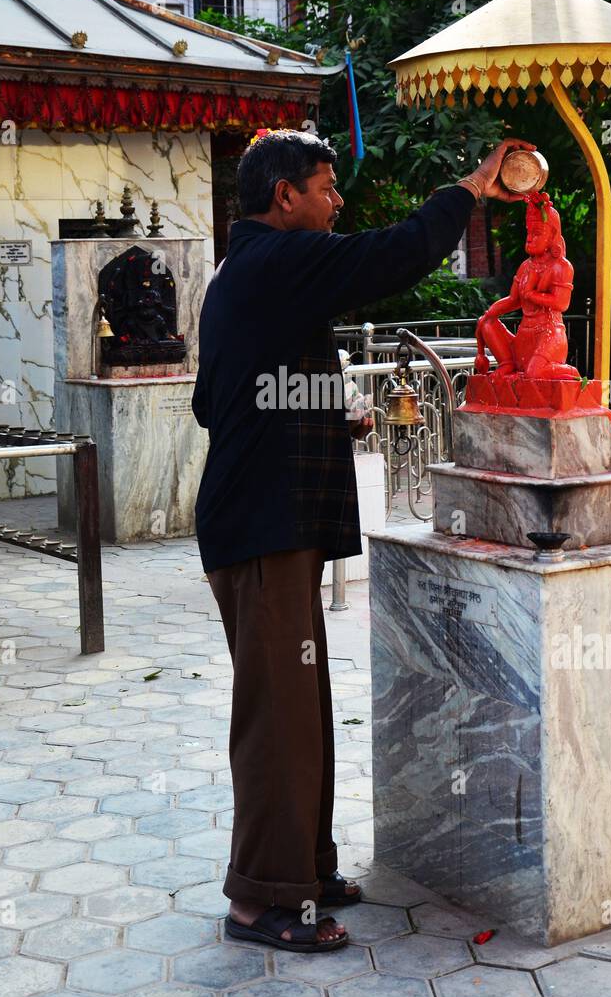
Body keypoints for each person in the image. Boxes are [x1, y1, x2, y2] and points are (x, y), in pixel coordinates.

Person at [191, 129, 532, 952]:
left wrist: (314, 409)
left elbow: (215, 400)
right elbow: (393, 254)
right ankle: (259, 902)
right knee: (276, 717)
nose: (337, 202)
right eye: (325, 187)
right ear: (284, 197)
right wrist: (468, 190)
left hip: (272, 522)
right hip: (259, 525)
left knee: (300, 706)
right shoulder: (274, 261)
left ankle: (302, 874)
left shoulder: (249, 271)